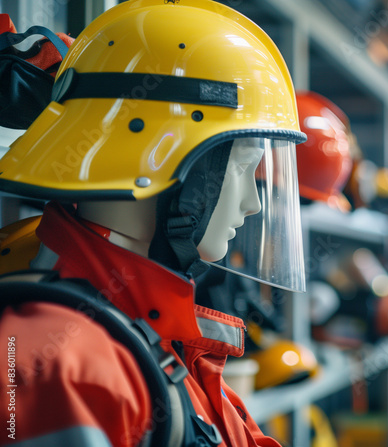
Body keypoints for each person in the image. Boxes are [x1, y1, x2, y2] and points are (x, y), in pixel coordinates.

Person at [0, 1, 307, 445]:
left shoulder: (155, 333)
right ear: (158, 157)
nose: (253, 204)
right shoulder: (58, 367)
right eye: (242, 167)